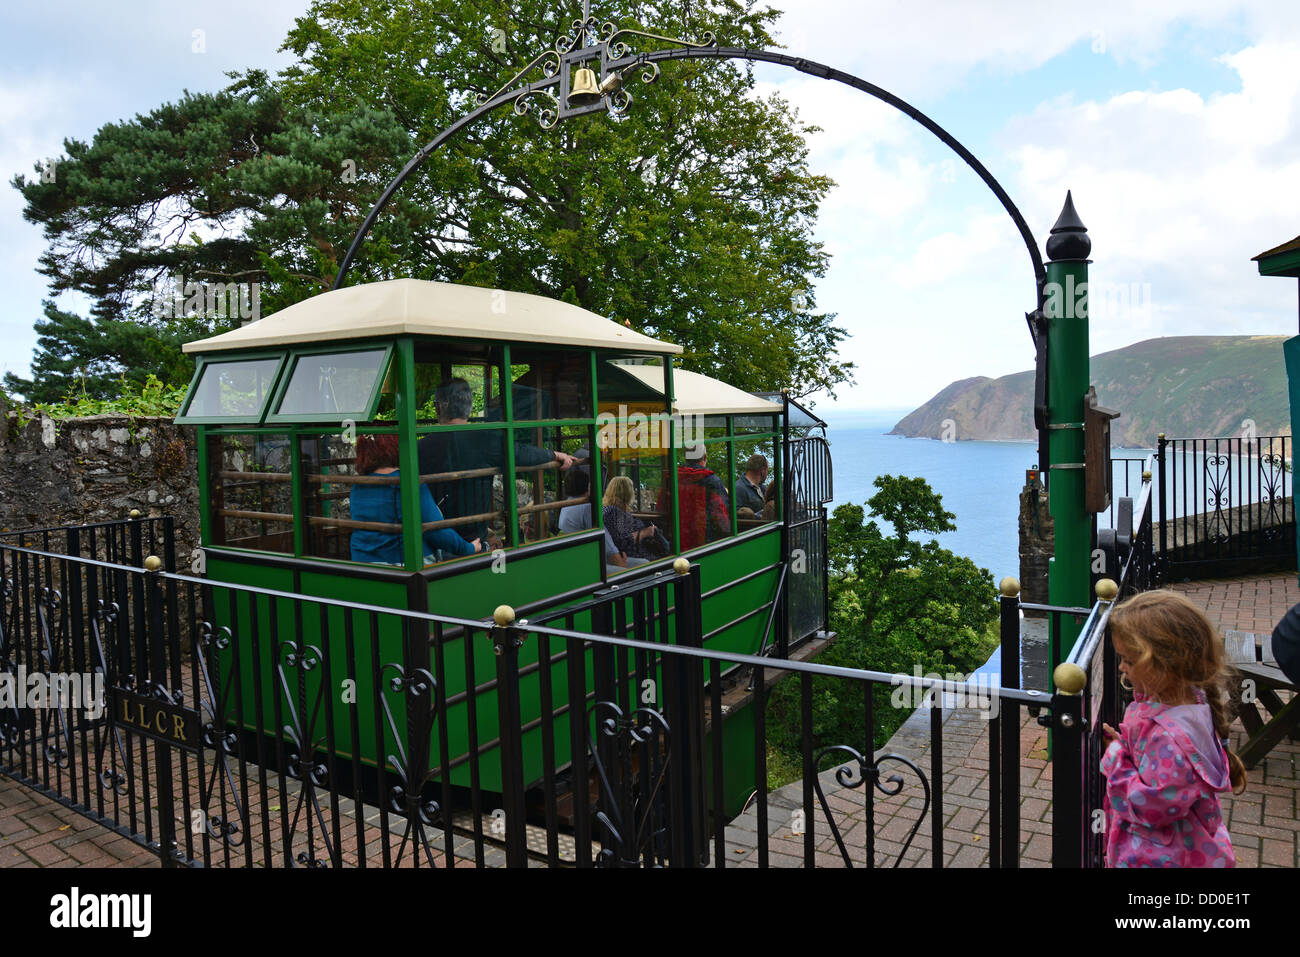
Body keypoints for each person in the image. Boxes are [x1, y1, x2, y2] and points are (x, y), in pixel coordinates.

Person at [1099, 589, 1245, 868]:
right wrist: (1129, 745)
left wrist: (1116, 757)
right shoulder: (1193, 701)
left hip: (1161, 857)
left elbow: (1151, 805)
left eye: (1129, 660)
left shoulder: (1167, 736)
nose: (1120, 667)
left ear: (1164, 666)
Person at [417, 378, 573, 545]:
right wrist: (554, 455)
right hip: (473, 538)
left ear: (438, 407)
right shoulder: (484, 440)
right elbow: (521, 453)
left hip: (431, 538)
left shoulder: (420, 447)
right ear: (468, 409)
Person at [349, 434, 482, 565]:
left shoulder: (358, 486)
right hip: (402, 563)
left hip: (362, 562)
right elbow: (436, 531)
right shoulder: (409, 483)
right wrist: (469, 548)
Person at [659, 445, 730, 551]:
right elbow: (721, 516)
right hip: (705, 542)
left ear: (686, 457)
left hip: (676, 541)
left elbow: (661, 507)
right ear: (704, 457)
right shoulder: (711, 481)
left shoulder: (672, 478)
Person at [602, 476, 660, 561]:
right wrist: (645, 532)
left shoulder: (606, 508)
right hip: (632, 556)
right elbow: (622, 542)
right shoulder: (616, 512)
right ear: (628, 492)